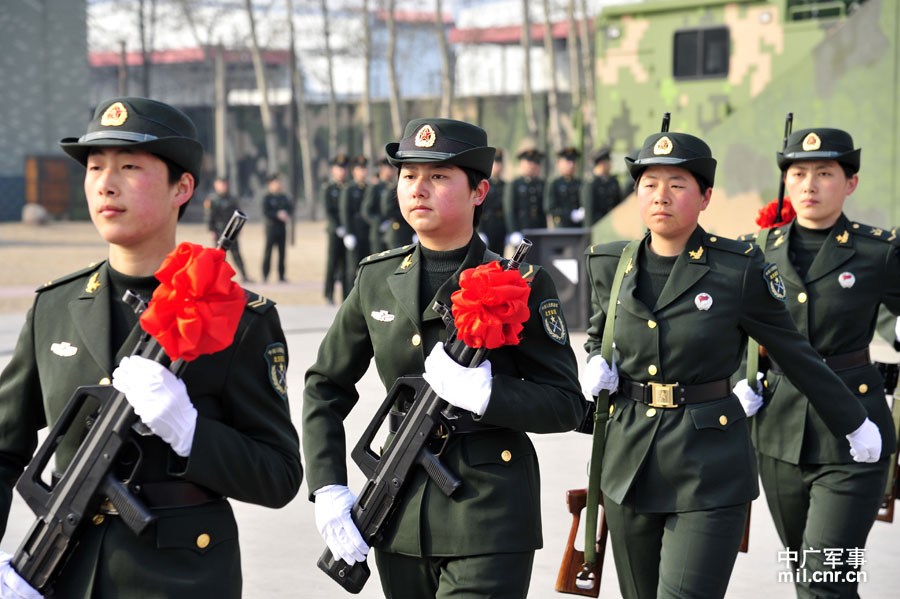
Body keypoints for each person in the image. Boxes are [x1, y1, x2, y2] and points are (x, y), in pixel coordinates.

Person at [0, 96, 302, 598]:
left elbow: (279, 475)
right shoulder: (55, 307)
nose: (105, 183)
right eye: (95, 167)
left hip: (182, 579)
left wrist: (190, 433)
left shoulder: (240, 318)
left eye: (130, 166)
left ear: (182, 187)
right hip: (62, 574)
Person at [581, 128, 882, 599]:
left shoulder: (736, 268)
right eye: (649, 184)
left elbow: (792, 352)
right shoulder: (608, 264)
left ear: (705, 197)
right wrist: (593, 361)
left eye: (678, 185)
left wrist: (854, 420)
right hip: (629, 463)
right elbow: (601, 332)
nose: (661, 196)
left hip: (708, 467)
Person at [302, 117, 583, 599]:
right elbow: (324, 385)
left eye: (438, 176)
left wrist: (489, 394)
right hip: (399, 509)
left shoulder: (523, 283)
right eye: (408, 176)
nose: (418, 189)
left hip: (489, 511)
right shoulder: (377, 278)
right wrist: (327, 486)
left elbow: (566, 404)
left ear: (479, 192)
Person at [733, 127, 899, 598]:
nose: (809, 185)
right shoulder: (755, 251)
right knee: (807, 576)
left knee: (825, 579)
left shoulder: (878, 251)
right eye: (799, 173)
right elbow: (723, 332)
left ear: (851, 183)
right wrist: (734, 381)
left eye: (824, 173)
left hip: (856, 433)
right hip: (779, 431)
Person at [203, 176, 252, 282]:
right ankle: (217, 279)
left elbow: (239, 214)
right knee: (219, 256)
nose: (223, 186)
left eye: (224, 184)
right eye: (220, 184)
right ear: (216, 185)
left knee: (236, 254)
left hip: (232, 230)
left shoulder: (232, 199)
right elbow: (209, 216)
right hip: (219, 231)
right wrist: (211, 230)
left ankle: (245, 276)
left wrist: (239, 228)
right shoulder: (212, 200)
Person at [339, 155, 372, 294]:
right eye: (359, 169)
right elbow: (345, 212)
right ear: (354, 171)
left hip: (367, 233)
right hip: (354, 233)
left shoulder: (369, 188)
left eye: (364, 169)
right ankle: (347, 297)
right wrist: (348, 233)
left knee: (368, 269)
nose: (362, 172)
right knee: (352, 269)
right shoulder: (348, 189)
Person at [503, 147, 545, 247]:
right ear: (521, 164)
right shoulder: (514, 184)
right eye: (529, 162)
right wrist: (513, 231)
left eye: (535, 162)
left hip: (539, 229)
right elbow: (509, 209)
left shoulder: (541, 184)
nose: (532, 166)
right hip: (521, 230)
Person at [320, 154, 348, 303]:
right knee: (332, 262)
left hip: (347, 231)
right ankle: (328, 294)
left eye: (344, 168)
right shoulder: (329, 188)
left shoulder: (348, 187)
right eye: (339, 168)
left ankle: (345, 296)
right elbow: (328, 211)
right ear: (333, 170)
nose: (341, 171)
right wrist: (337, 227)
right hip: (334, 231)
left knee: (345, 264)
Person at [260, 172, 293, 283]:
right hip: (271, 228)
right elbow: (266, 212)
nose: (278, 184)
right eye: (275, 182)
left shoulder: (284, 197)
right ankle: (265, 275)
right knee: (268, 252)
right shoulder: (267, 197)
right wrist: (277, 214)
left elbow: (290, 208)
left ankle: (281, 275)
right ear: (270, 184)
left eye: (279, 182)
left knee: (282, 253)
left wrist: (286, 214)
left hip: (282, 228)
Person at [581, 145, 623, 228]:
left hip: (612, 225)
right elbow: (589, 213)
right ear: (602, 164)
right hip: (597, 227)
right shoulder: (591, 184)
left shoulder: (613, 182)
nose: (611, 165)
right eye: (608, 162)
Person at [544, 146, 584, 228]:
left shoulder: (580, 183)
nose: (571, 165)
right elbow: (549, 208)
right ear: (559, 163)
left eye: (574, 161)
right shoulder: (554, 184)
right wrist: (570, 214)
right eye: (568, 161)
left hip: (580, 226)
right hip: (562, 227)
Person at [477, 148, 507, 254]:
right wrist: (479, 230)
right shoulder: (483, 184)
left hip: (501, 227)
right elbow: (478, 207)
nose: (497, 167)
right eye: (495, 164)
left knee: (499, 257)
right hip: (486, 225)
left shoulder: (505, 186)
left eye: (499, 164)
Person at [362, 157, 394, 254]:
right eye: (389, 168)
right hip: (377, 234)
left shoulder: (393, 187)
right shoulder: (375, 188)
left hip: (392, 232)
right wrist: (379, 222)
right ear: (382, 170)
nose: (391, 171)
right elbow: (366, 211)